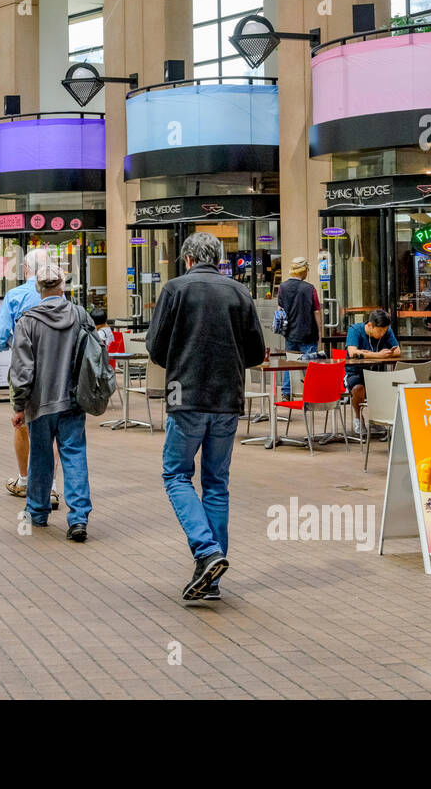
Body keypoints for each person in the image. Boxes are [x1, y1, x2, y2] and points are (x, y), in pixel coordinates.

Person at [147, 232, 266, 603]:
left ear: (186, 259)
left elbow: (154, 346)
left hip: (185, 396)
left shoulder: (175, 290)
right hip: (227, 398)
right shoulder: (239, 292)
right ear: (219, 258)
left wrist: (180, 361)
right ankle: (211, 579)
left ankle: (206, 550)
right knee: (217, 484)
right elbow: (257, 351)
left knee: (176, 475)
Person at [8, 263, 93, 541]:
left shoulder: (27, 321)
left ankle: (38, 511)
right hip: (73, 400)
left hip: (39, 402)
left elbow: (22, 369)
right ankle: (78, 518)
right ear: (62, 286)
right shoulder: (80, 315)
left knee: (41, 457)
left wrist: (19, 405)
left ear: (37, 288)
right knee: (74, 455)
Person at [0, 248, 59, 506]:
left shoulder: (16, 295)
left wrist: (10, 343)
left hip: (24, 369)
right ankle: (51, 486)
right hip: (56, 370)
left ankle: (24, 479)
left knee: (21, 422)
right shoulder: (63, 297)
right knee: (51, 427)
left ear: (26, 270)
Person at [345, 308, 402, 434]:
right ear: (370, 325)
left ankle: (377, 420)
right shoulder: (355, 330)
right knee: (358, 388)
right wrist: (378, 355)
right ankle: (358, 418)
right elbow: (353, 352)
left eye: (385, 331)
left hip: (377, 372)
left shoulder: (387, 330)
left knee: (390, 387)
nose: (382, 334)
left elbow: (397, 351)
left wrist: (368, 354)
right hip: (355, 372)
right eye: (380, 331)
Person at [277, 256, 321, 400]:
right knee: (310, 364)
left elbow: (280, 310)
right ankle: (310, 391)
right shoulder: (309, 288)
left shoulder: (282, 287)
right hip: (308, 332)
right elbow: (316, 311)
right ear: (304, 271)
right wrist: (319, 331)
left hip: (290, 332)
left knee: (290, 363)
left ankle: (286, 392)